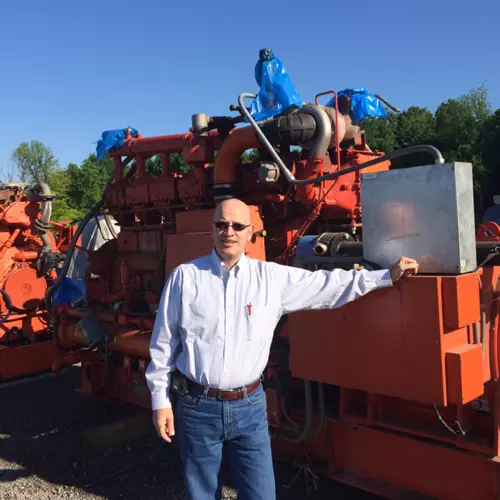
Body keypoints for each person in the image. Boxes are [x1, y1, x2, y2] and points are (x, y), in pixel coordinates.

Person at [145, 198, 419, 500]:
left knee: (261, 494)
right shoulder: (185, 278)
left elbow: (328, 285)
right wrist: (160, 401)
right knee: (201, 494)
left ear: (251, 233)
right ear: (211, 230)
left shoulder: (271, 279)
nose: (229, 232)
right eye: (222, 225)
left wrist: (383, 277)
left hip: (249, 407)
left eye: (237, 226)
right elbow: (163, 344)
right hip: (198, 407)